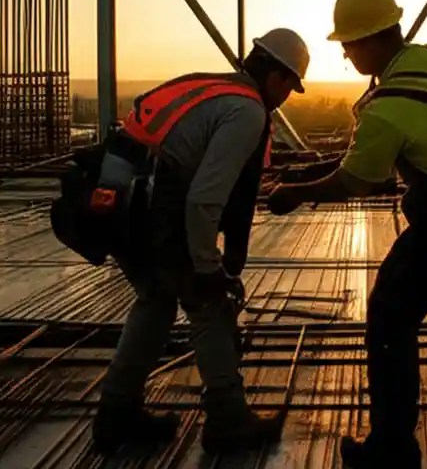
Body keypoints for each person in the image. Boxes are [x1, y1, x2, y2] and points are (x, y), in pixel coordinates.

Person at [266, 0, 427, 468]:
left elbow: (358, 180)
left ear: (370, 41)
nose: (344, 53)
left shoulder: (384, 107)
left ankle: (392, 449)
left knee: (389, 319)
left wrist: (295, 193)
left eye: (348, 44)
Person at [92, 29, 309, 454]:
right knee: (207, 301)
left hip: (120, 196)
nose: (286, 97)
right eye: (290, 86)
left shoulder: (215, 88)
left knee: (156, 300)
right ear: (278, 76)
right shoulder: (247, 111)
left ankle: (116, 415)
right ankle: (228, 419)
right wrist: (209, 268)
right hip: (155, 204)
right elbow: (203, 200)